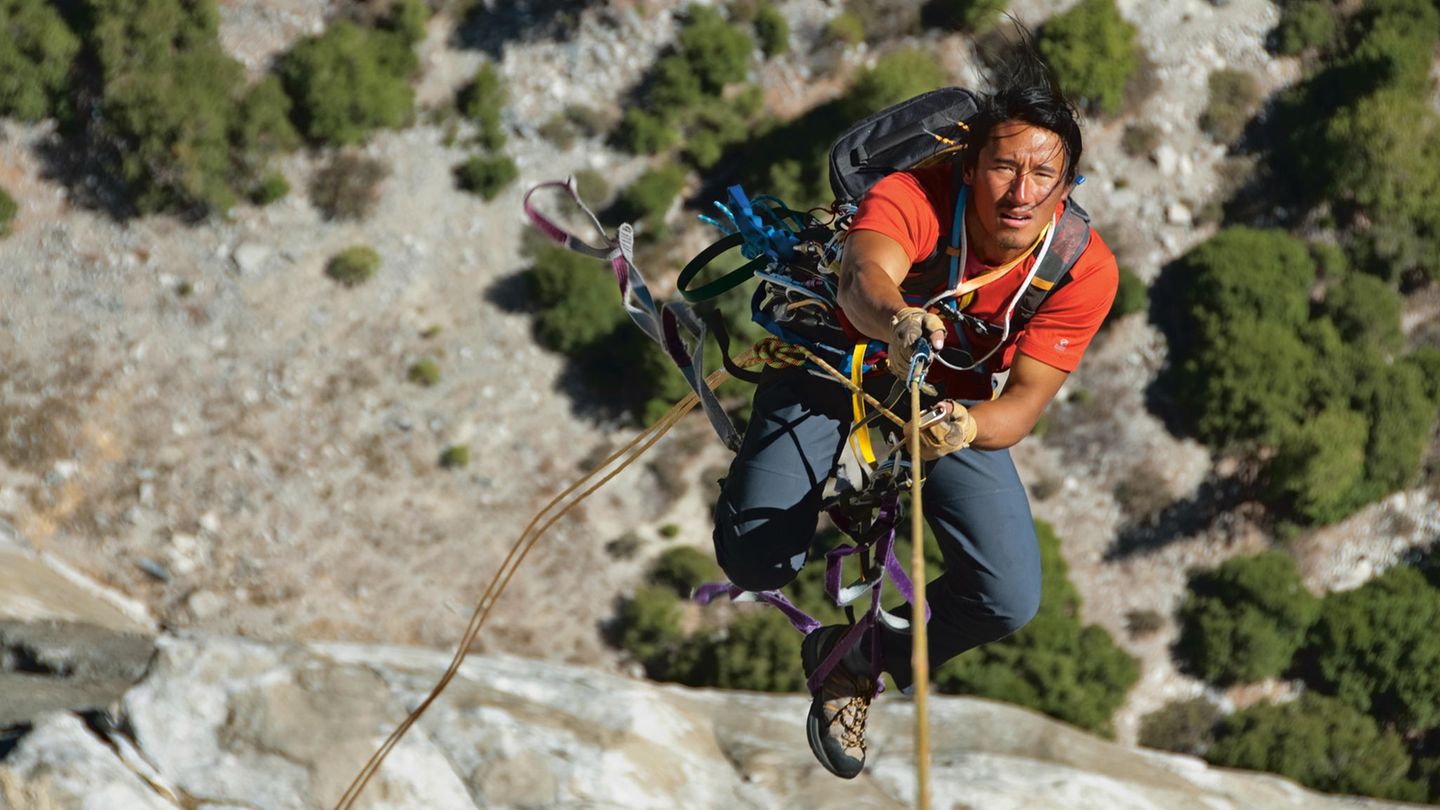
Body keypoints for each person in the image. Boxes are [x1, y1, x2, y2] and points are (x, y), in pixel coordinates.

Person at [710, 43, 1119, 780]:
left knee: (1006, 597)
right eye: (1004, 167)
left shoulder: (1080, 269)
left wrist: (966, 427)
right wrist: (898, 321)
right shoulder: (915, 195)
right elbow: (863, 277)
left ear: (1066, 184)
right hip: (837, 364)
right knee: (756, 559)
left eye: (1043, 175)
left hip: (944, 409)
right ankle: (772, 481)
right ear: (969, 165)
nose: (1021, 192)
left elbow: (1022, 404)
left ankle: (853, 662)